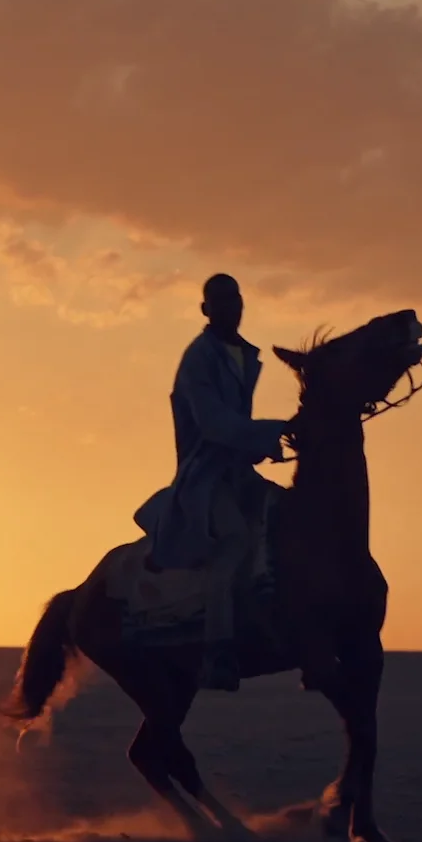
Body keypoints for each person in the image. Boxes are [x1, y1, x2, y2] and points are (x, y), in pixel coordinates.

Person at [132, 273, 289, 689]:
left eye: (236, 299)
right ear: (206, 309)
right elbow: (215, 425)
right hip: (206, 475)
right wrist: (274, 431)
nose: (231, 308)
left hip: (239, 470)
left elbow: (238, 427)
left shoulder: (242, 355)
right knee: (234, 539)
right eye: (220, 301)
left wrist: (272, 439)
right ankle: (217, 649)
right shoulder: (198, 359)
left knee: (289, 514)